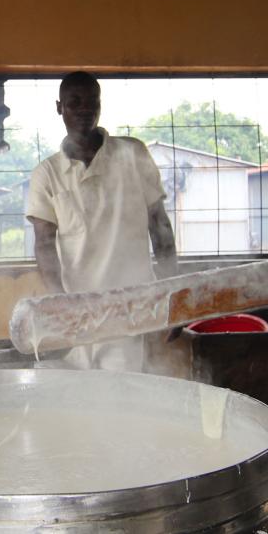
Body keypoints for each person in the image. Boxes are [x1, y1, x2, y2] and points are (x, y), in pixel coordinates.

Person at [25, 71, 177, 371]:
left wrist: (174, 295)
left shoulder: (132, 154)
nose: (84, 110)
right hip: (76, 310)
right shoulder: (48, 174)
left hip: (129, 305)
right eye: (74, 102)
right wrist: (60, 301)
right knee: (77, 392)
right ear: (59, 108)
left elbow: (160, 226)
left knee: (119, 387)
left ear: (100, 104)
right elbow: (44, 244)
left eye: (91, 102)